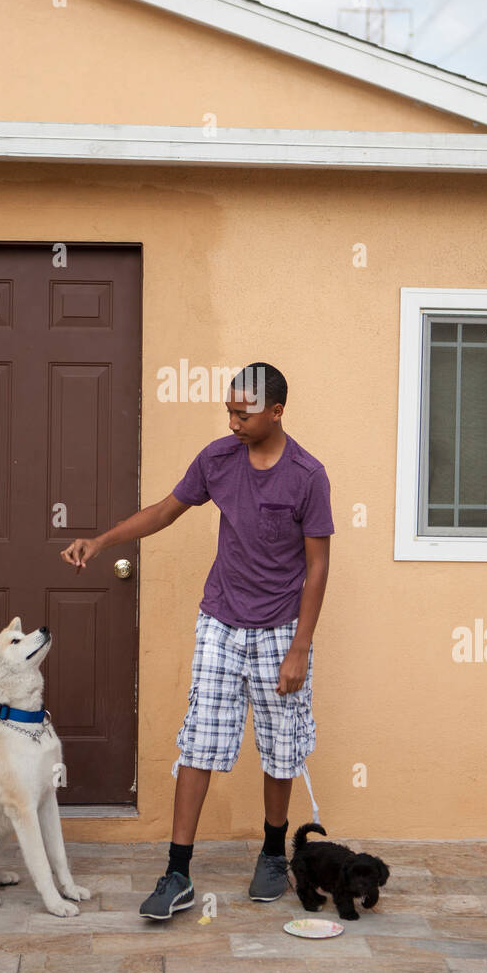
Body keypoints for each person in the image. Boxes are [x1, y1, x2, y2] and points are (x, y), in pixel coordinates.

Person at [60, 361, 333, 919]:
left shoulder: (308, 474)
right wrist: (104, 539)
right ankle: (177, 871)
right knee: (200, 741)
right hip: (221, 622)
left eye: (243, 412)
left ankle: (273, 854)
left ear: (276, 411)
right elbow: (165, 510)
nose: (232, 421)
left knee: (281, 749)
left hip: (281, 628)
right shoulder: (217, 459)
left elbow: (319, 563)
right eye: (228, 410)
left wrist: (300, 647)